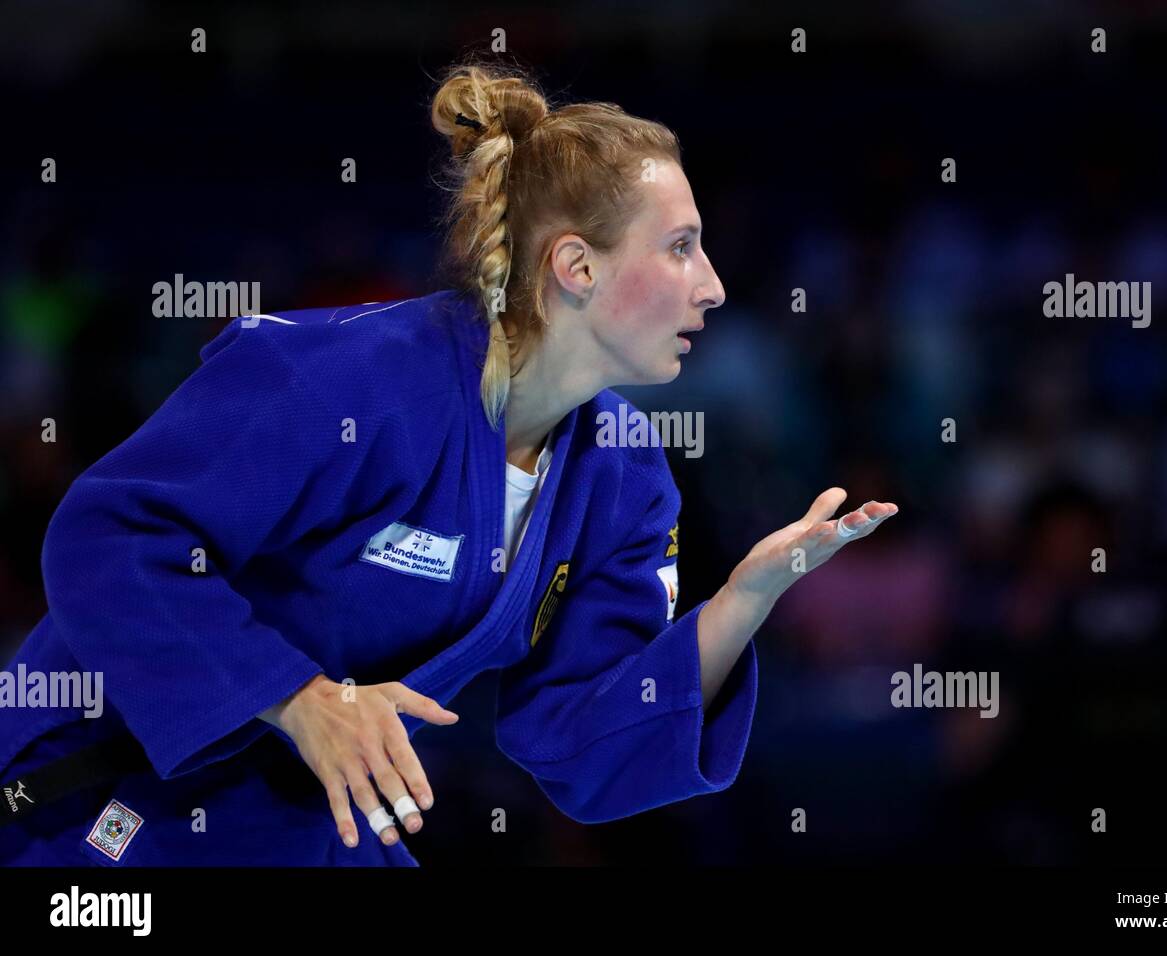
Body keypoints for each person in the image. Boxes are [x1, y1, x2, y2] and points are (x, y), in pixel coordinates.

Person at [0, 60, 898, 865]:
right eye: (679, 247)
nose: (713, 284)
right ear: (577, 267)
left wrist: (742, 599)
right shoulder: (343, 380)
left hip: (320, 826)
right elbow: (110, 537)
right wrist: (299, 699)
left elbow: (581, 739)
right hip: (106, 800)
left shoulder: (621, 472)